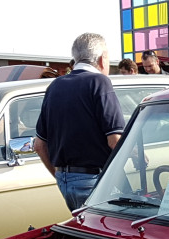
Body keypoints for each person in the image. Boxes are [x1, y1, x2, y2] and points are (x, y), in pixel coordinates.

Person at [34, 33, 125, 211]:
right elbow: (115, 140)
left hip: (64, 180)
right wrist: (135, 155)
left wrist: (61, 176)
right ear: (102, 58)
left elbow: (39, 145)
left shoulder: (54, 86)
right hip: (94, 179)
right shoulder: (100, 82)